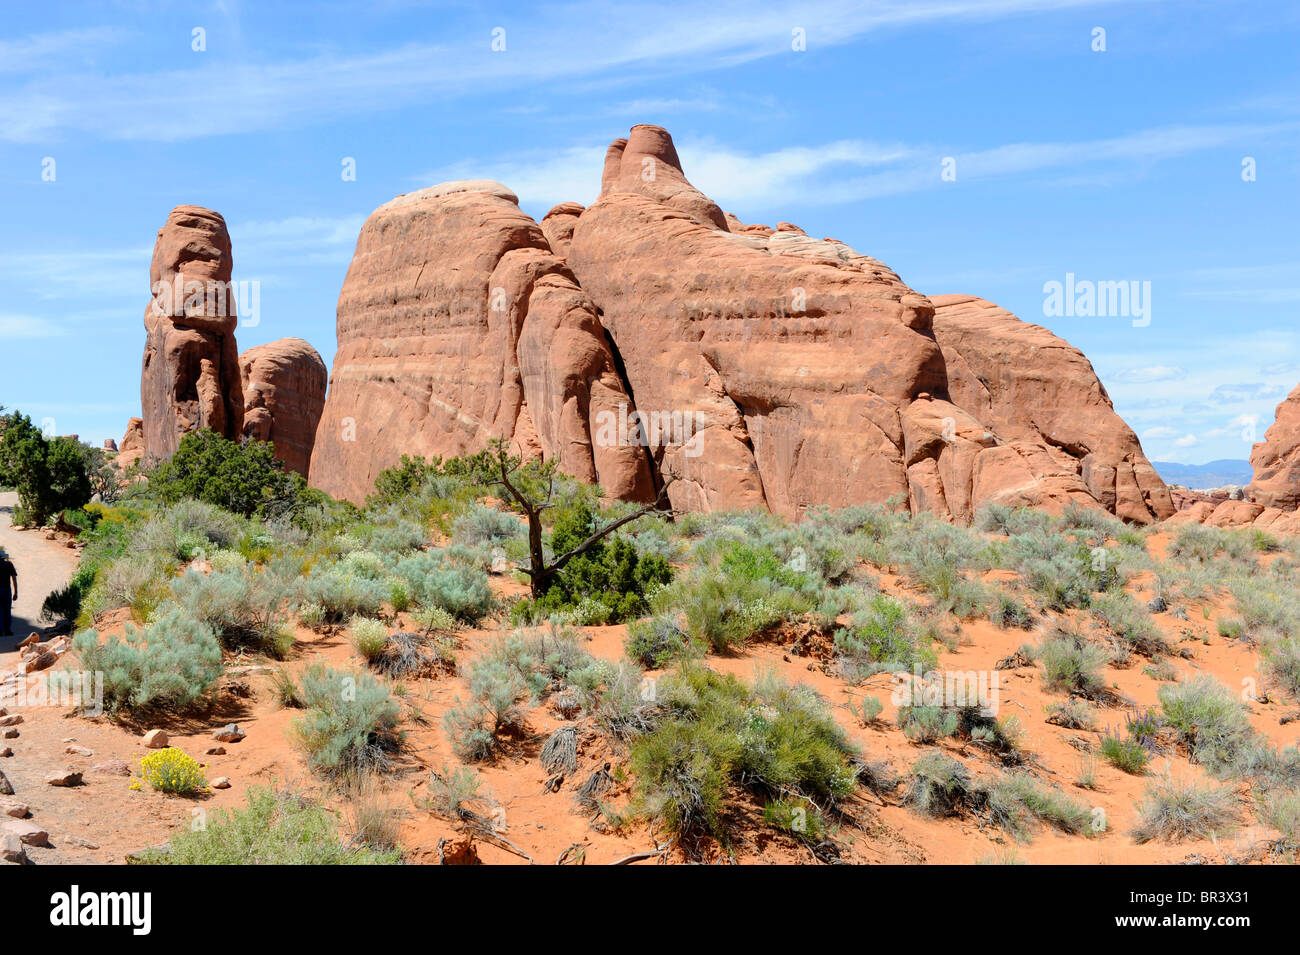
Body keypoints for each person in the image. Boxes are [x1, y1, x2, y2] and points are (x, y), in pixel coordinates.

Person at [0, 548, 16, 637]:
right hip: (6, 589)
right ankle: (7, 630)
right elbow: (14, 578)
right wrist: (16, 592)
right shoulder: (9, 564)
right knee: (7, 610)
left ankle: (0, 630)